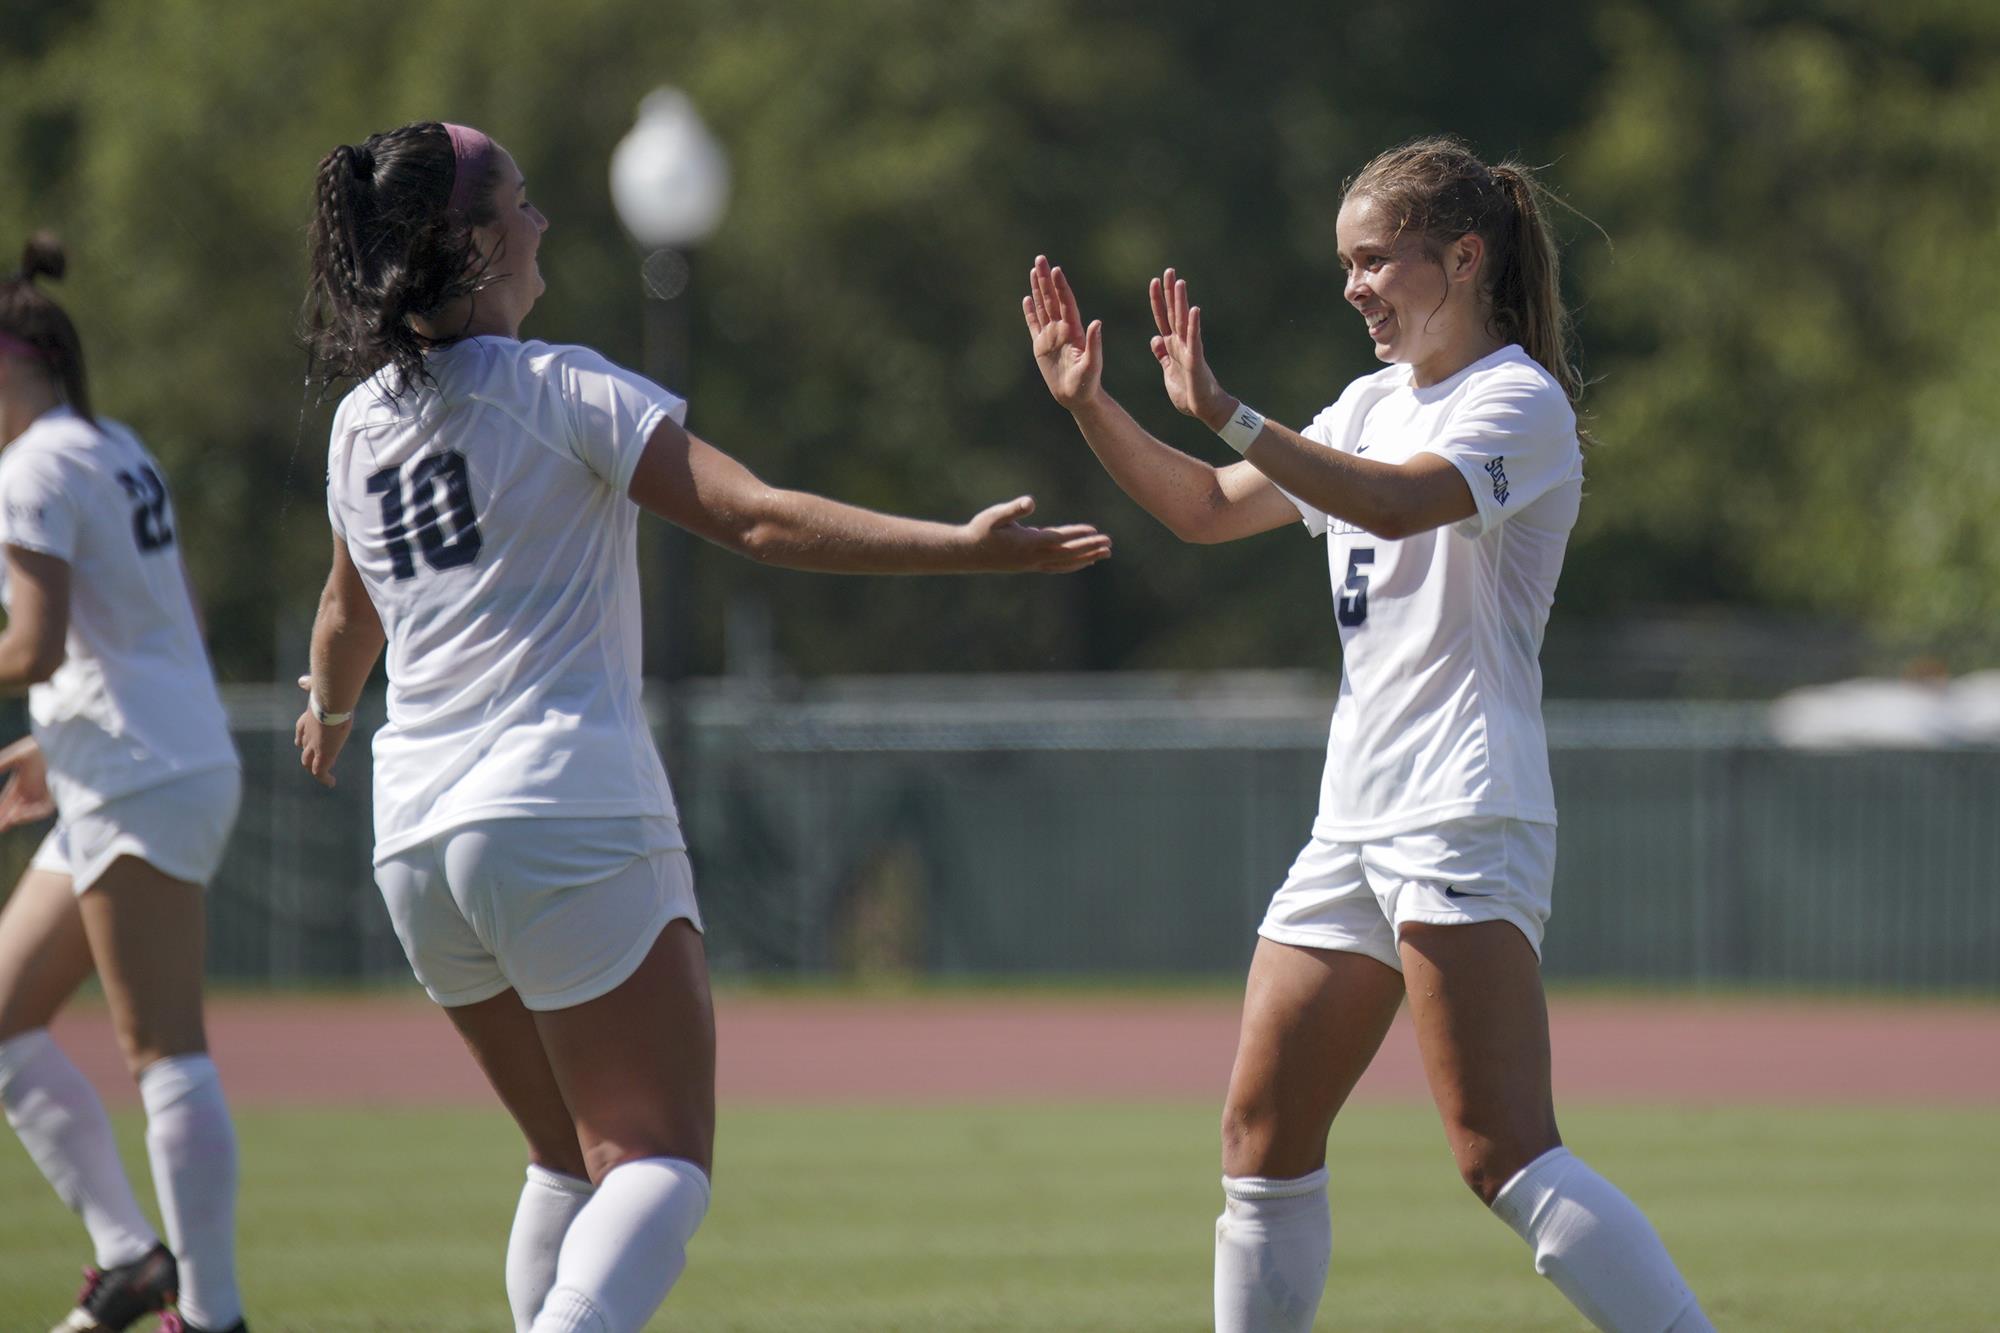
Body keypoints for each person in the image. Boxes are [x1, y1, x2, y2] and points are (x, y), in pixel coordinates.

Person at [294, 120, 1109, 1333]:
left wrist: (330, 708)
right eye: (520, 201)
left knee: (568, 1163)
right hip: (562, 806)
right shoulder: (559, 387)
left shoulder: (360, 422)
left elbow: (343, 607)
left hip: (414, 840)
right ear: (468, 243)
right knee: (657, 1166)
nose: (541, 221)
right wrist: (958, 548)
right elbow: (761, 521)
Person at [1025, 136, 1712, 1332]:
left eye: (1373, 260)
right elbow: (1198, 508)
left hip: (1461, 802)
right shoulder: (1366, 401)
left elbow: (1395, 501)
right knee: (1258, 1134)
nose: (1352, 287)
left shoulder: (1519, 400)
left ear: (1461, 255)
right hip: (1352, 818)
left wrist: (1229, 410)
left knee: (1498, 1152)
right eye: (1343, 264)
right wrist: (1092, 405)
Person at [0, 235, 248, 1333]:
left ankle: (214, 1313)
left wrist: (68, 719)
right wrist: (60, 745)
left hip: (143, 778)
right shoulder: (108, 443)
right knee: (3, 1017)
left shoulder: (32, 466)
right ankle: (131, 1258)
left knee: (165, 1054)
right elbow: (161, 624)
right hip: (135, 765)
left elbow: (35, 647)